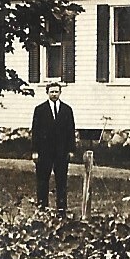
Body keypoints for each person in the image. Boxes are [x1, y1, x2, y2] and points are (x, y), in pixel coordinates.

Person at [30, 81, 75, 211]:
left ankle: (61, 209)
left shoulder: (67, 110)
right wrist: (35, 151)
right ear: (47, 93)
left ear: (60, 93)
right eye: (52, 92)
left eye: (56, 92)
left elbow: (71, 130)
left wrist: (71, 149)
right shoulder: (40, 110)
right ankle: (42, 208)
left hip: (61, 152)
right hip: (44, 152)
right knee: (42, 181)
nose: (54, 94)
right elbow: (35, 131)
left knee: (61, 181)